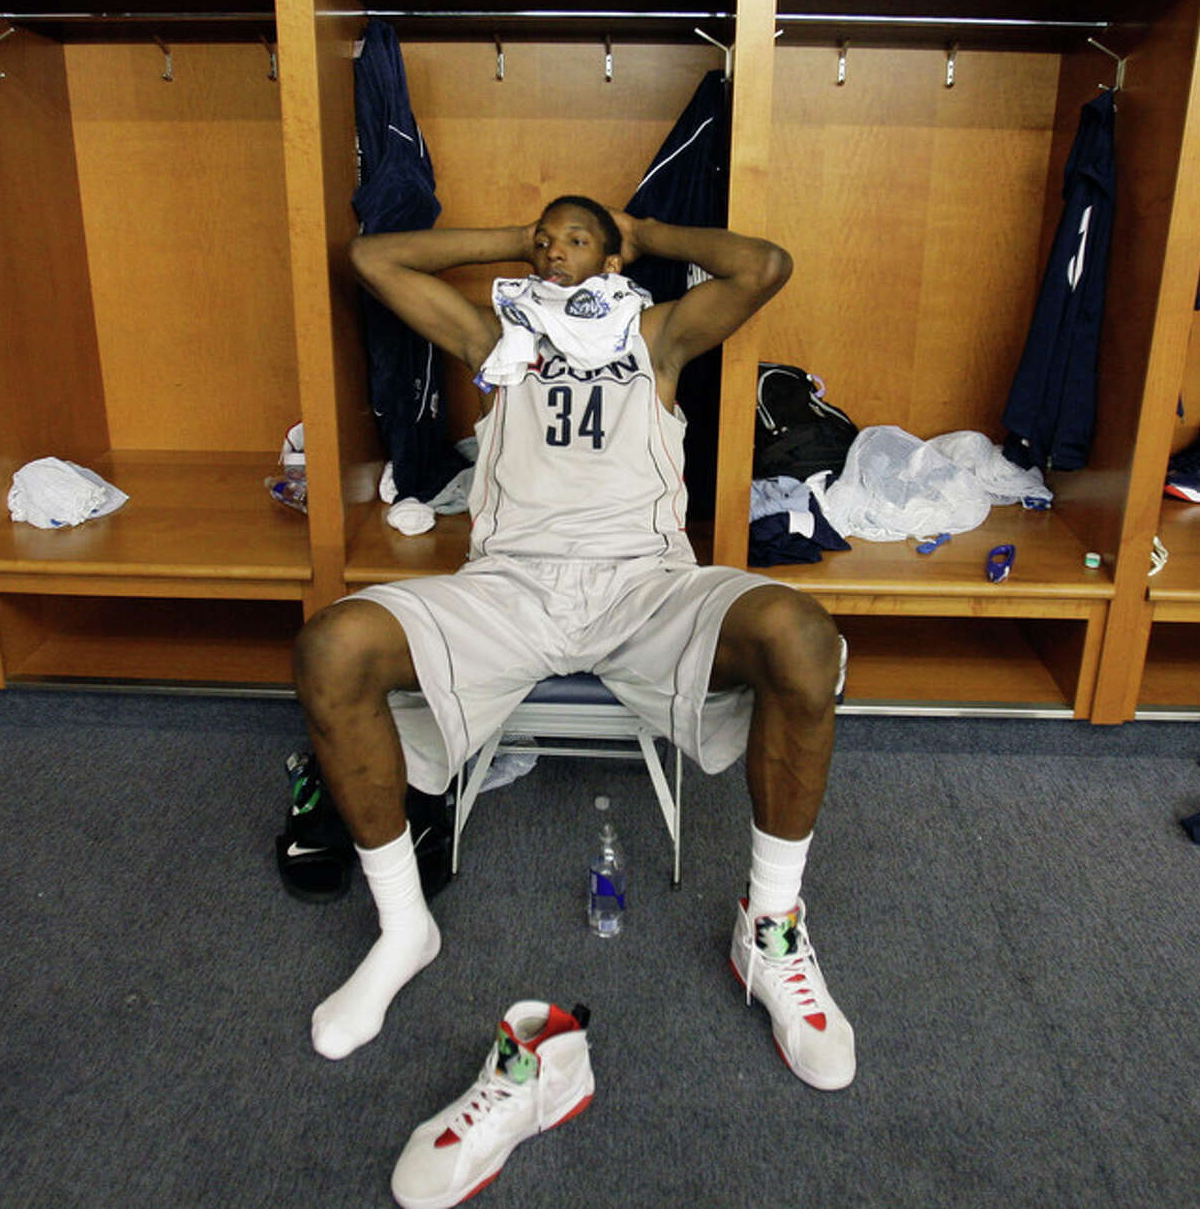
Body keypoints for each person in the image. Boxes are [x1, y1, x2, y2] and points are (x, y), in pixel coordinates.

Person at [293, 195, 854, 1092]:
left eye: (574, 237)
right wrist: (511, 242)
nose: (555, 249)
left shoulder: (655, 336)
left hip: (645, 585)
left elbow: (766, 266)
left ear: (609, 257)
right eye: (545, 238)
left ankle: (772, 927)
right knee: (332, 648)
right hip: (510, 586)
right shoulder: (496, 340)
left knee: (800, 635)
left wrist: (648, 238)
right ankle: (405, 926)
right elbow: (372, 259)